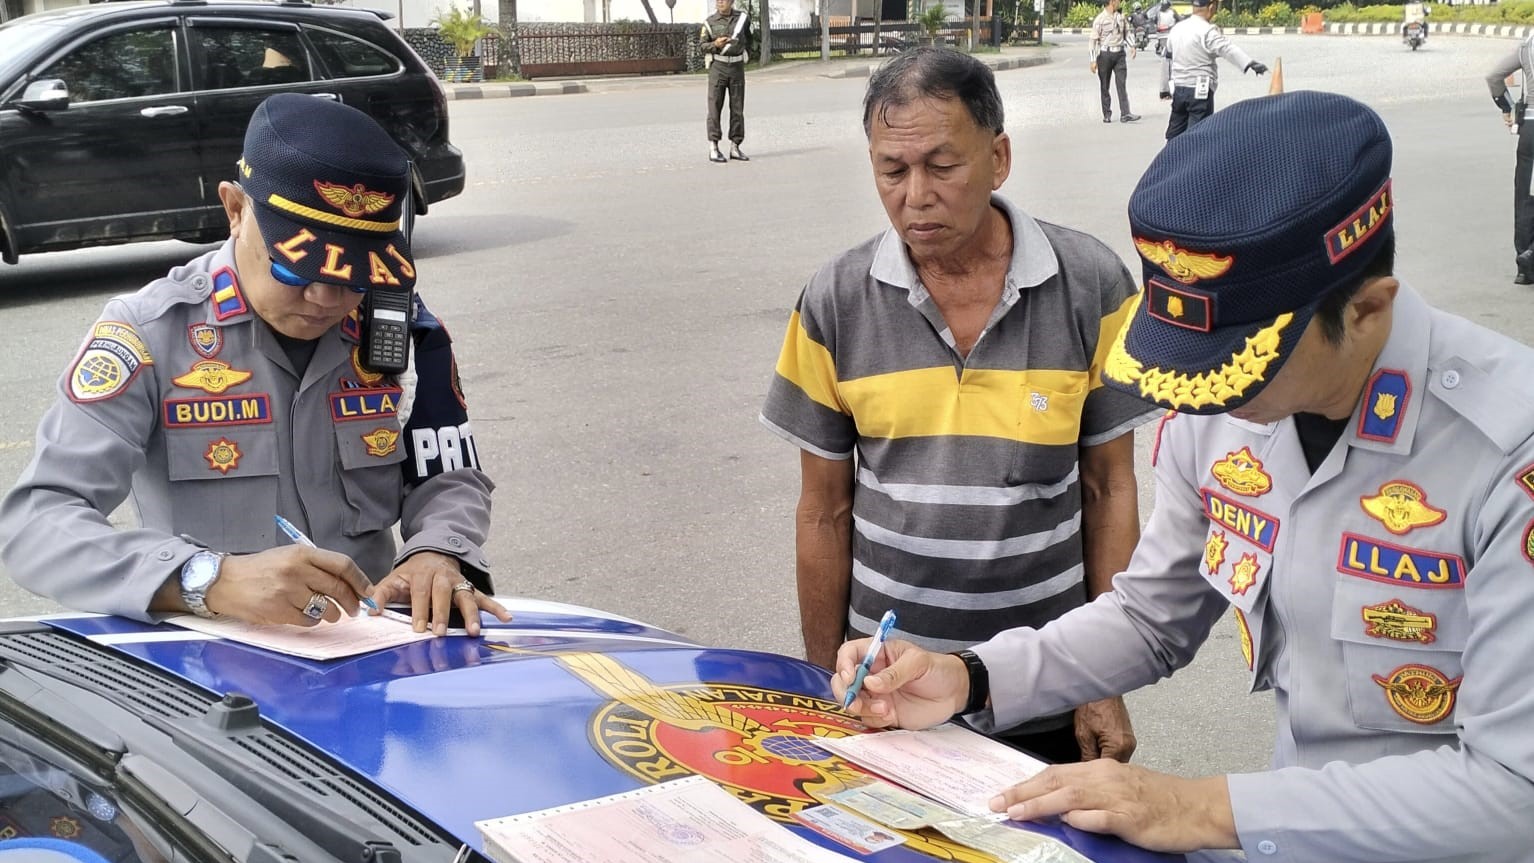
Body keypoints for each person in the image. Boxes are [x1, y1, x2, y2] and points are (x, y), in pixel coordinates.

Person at [834, 91, 1534, 861]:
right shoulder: (1223, 402)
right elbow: (1150, 616)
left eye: (1244, 363)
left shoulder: (1509, 450)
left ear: (1367, 310)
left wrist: (1198, 807)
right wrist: (969, 676)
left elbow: (1514, 787)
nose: (1211, 393)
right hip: (1288, 833)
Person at [760, 47, 1159, 765]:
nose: (916, 195)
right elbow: (823, 510)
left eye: (942, 166)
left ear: (998, 158)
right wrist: (827, 683)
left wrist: (1102, 680)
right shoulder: (835, 300)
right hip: (887, 692)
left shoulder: (1090, 285)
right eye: (892, 170)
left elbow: (1110, 489)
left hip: (1046, 689)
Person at [0, 93, 510, 637]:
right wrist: (205, 579)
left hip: (369, 644)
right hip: (213, 657)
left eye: (353, 275)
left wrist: (436, 551)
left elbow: (447, 472)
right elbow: (36, 523)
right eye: (296, 269)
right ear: (235, 210)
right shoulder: (148, 334)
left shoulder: (399, 329)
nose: (325, 298)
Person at [1163, 0, 1266, 140]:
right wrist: (1250, 63)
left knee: (1175, 132)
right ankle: (1195, 154)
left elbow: (1168, 55)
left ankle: (1171, 152)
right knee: (1197, 134)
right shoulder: (1207, 31)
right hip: (1199, 89)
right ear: (1211, 7)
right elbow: (1227, 49)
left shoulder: (1177, 28)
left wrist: (1164, 87)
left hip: (1179, 88)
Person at [1486, 37, 1534, 284]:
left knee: (1526, 196)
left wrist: (1507, 107)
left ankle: (1524, 265)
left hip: (1530, 130)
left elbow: (1494, 76)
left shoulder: (1528, 45)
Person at [701, 0, 750, 163]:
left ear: (732, 2)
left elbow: (748, 39)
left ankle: (735, 146)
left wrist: (744, 54)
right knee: (714, 108)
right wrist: (715, 44)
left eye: (723, 0)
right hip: (718, 68)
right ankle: (713, 147)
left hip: (736, 67)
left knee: (737, 108)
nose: (720, 2)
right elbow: (702, 45)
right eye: (718, 0)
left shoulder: (742, 19)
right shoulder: (709, 22)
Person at [1089, 0, 1141, 124]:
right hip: (1105, 55)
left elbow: (1126, 33)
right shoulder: (1100, 19)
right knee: (1104, 85)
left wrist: (1132, 46)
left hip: (1119, 55)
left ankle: (1125, 113)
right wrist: (1093, 60)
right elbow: (1093, 40)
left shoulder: (1121, 17)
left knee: (1121, 84)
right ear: (1112, 2)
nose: (1119, 2)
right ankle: (1107, 114)